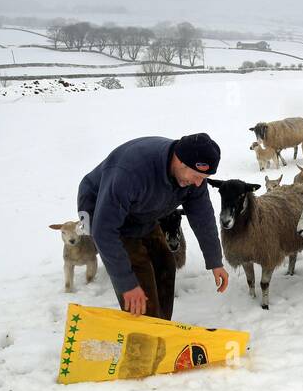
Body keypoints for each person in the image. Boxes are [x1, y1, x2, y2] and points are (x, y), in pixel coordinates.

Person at [77, 134, 230, 319]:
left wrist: (215, 260)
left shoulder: (192, 175)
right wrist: (127, 284)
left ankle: (160, 326)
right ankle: (144, 331)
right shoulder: (131, 172)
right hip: (103, 210)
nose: (199, 183)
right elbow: (104, 231)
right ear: (180, 161)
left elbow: (202, 215)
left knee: (165, 263)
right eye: (197, 176)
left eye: (204, 178)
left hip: (142, 211)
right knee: (139, 278)